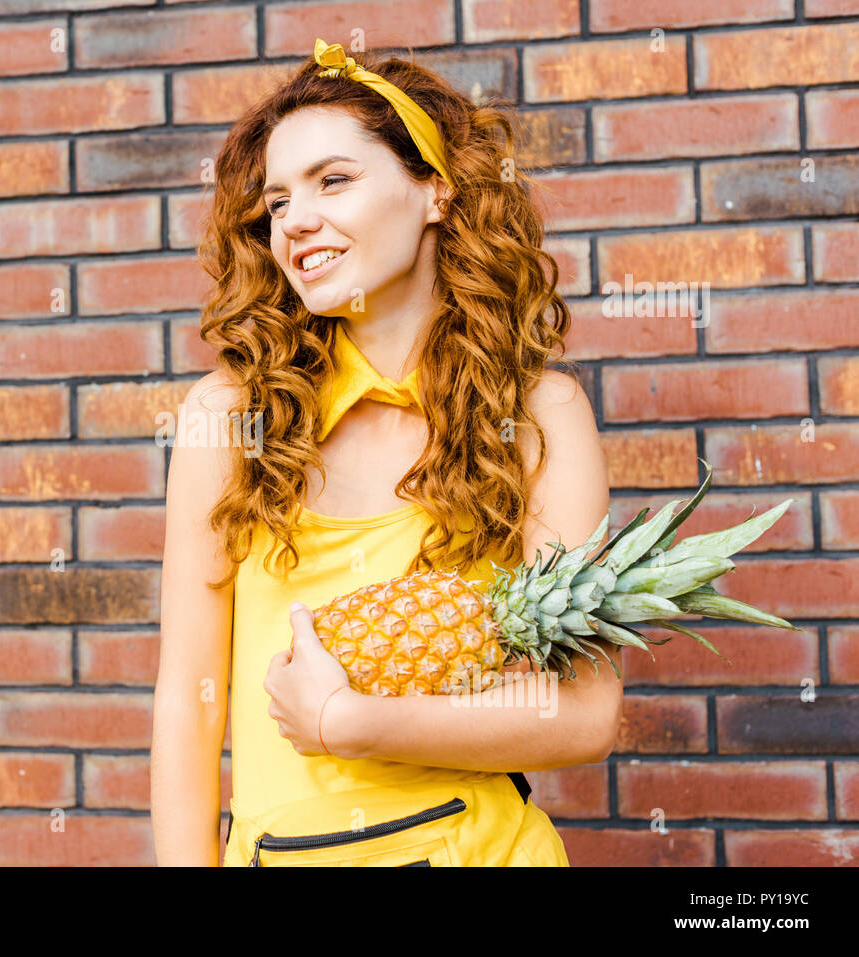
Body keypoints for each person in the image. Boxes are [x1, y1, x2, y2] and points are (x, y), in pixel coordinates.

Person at [151, 38, 616, 866]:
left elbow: (582, 713)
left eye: (335, 180)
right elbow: (190, 707)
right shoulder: (228, 418)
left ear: (435, 190)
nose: (294, 219)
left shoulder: (540, 414)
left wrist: (349, 723)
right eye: (278, 199)